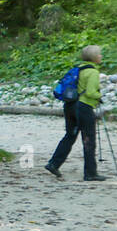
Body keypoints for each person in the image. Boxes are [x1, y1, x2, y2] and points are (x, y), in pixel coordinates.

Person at [45, 45, 105, 181]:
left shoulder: (78, 69)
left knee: (70, 136)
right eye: (99, 54)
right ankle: (90, 173)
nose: (101, 56)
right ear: (94, 57)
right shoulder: (93, 72)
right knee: (89, 140)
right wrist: (99, 96)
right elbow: (90, 92)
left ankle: (54, 163)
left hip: (70, 106)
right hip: (84, 108)